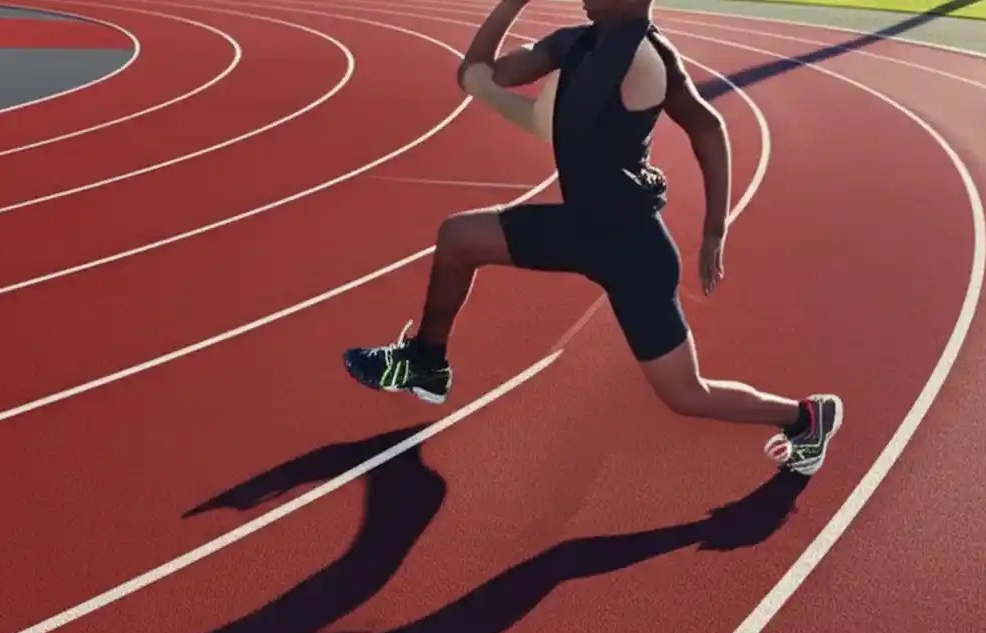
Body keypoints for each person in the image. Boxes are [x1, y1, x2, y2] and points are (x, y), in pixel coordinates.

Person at [343, 0, 842, 475]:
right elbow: (477, 70)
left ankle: (803, 419)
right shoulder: (573, 43)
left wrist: (715, 230)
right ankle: (426, 363)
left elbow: (707, 127)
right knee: (458, 238)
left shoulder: (650, 58)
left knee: (686, 395)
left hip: (632, 250)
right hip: (580, 227)